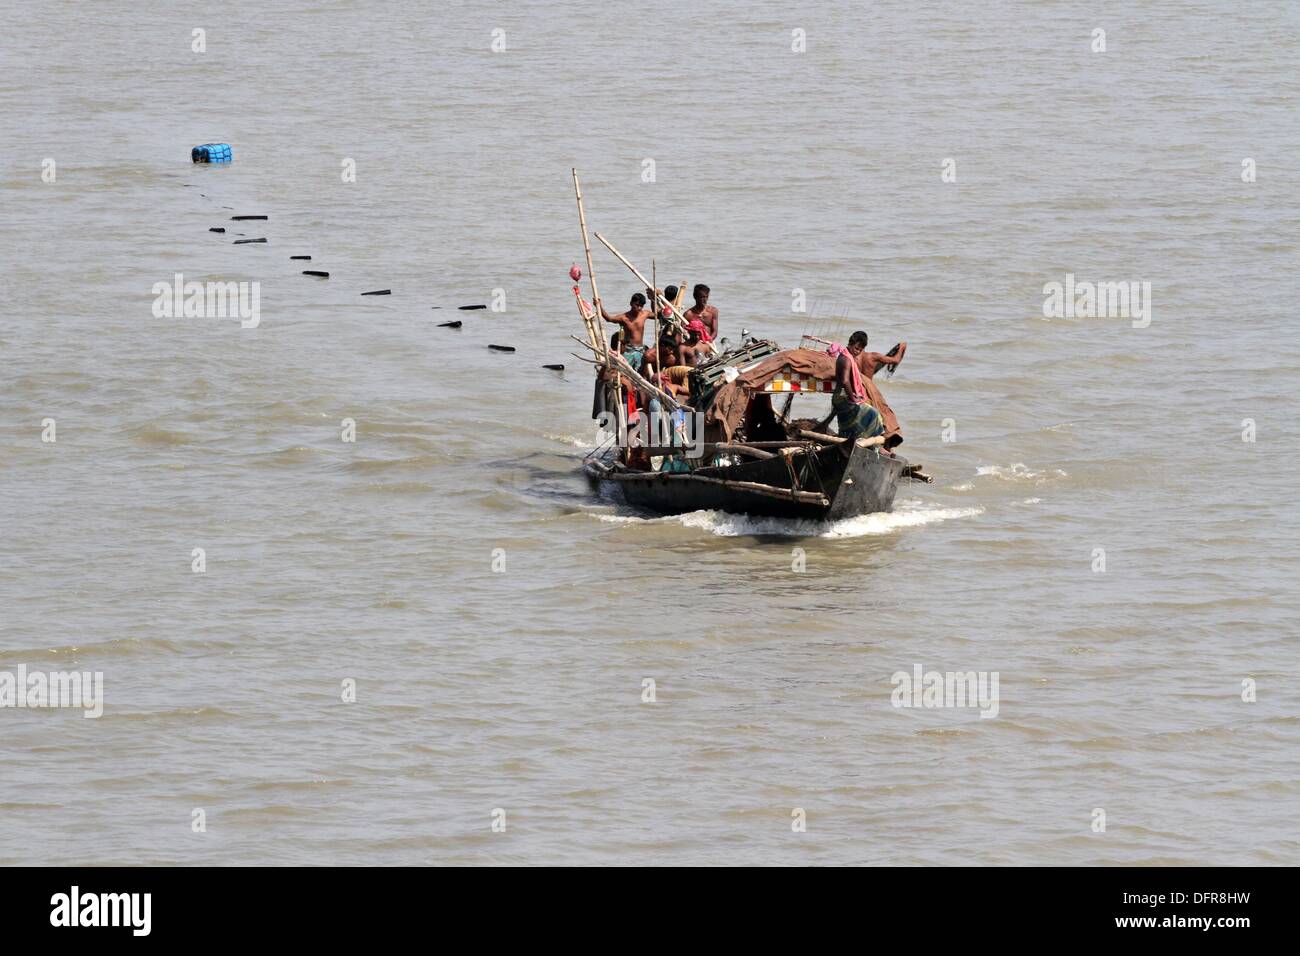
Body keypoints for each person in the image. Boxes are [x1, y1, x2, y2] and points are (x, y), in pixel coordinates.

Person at [829, 331, 885, 452]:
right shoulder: (846, 359)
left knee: (862, 416)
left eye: (860, 350)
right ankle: (875, 446)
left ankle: (859, 442)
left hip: (841, 397)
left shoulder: (846, 356)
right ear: (850, 343)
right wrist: (853, 398)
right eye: (856, 348)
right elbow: (844, 381)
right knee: (873, 414)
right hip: (842, 398)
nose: (857, 351)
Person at [854, 336, 907, 451]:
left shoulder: (852, 358)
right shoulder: (873, 357)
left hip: (856, 392)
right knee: (885, 420)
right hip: (869, 393)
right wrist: (902, 348)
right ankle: (886, 448)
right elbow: (896, 360)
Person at [600, 292, 654, 374]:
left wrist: (653, 299)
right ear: (631, 303)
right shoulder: (623, 318)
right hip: (628, 350)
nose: (639, 308)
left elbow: (657, 315)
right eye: (637, 305)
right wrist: (599, 305)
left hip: (640, 350)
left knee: (642, 372)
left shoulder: (644, 314)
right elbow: (609, 319)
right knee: (624, 372)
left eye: (641, 306)